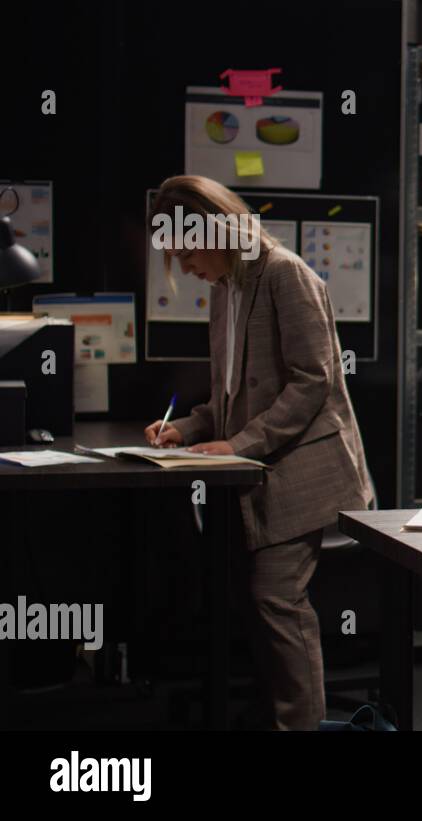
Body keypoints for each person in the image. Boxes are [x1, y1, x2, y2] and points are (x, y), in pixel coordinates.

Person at [144, 175, 373, 730]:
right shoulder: (227, 289)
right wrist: (191, 428)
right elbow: (234, 394)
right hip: (257, 472)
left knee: (275, 598)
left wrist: (240, 443)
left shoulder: (284, 273)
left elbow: (311, 381)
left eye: (186, 252)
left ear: (215, 230)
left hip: (304, 474)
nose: (185, 267)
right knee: (249, 600)